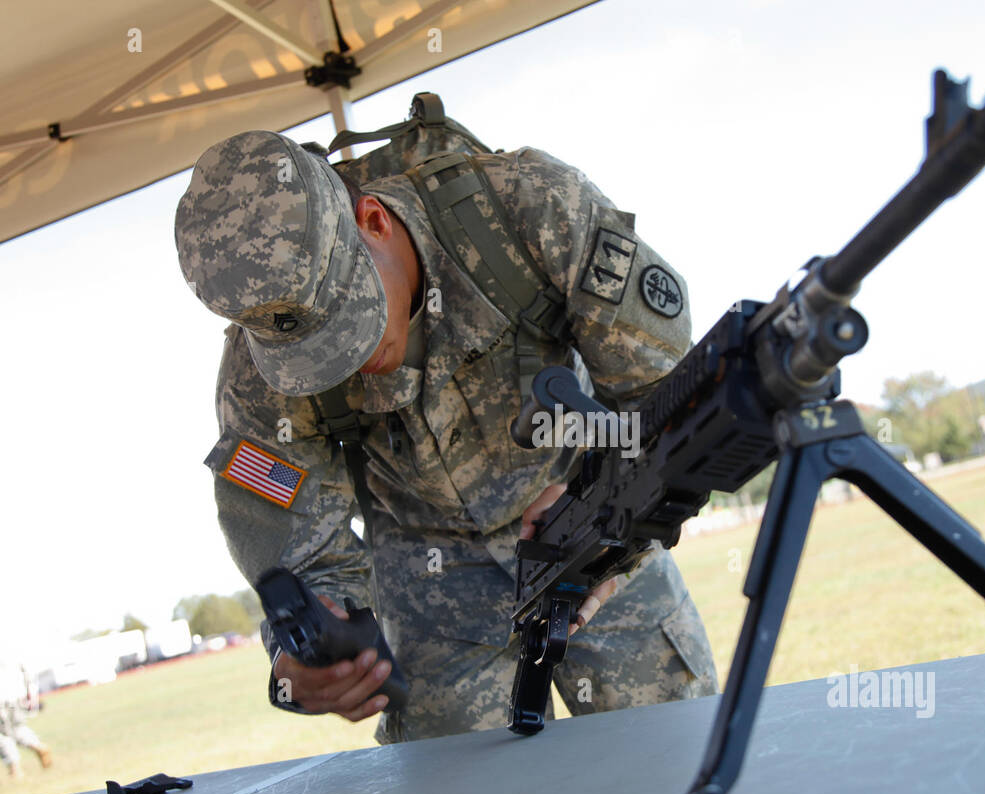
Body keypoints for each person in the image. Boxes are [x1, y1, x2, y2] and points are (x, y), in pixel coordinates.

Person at [175, 130, 718, 744]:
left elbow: (670, 403)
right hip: (431, 593)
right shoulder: (255, 383)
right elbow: (299, 561)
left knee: (674, 759)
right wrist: (305, 655)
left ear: (373, 220)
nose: (340, 363)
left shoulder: (529, 212)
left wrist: (603, 501)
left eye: (350, 315)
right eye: (304, 352)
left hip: (592, 530)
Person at [0, 621, 52, 779]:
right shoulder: (10, 645)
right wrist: (31, 693)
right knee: (17, 728)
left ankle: (14, 770)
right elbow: (26, 670)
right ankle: (38, 745)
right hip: (16, 696)